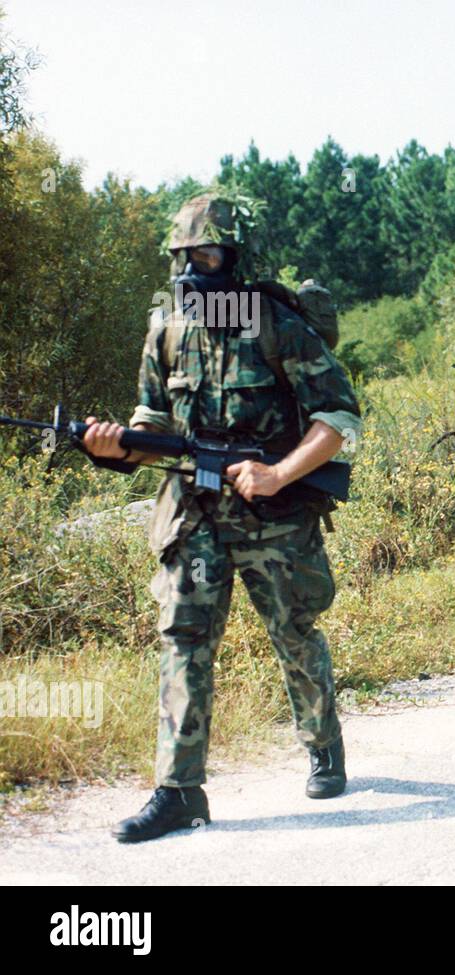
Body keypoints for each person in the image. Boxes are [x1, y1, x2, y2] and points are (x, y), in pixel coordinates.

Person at [82, 189, 362, 842]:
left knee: (293, 629)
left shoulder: (274, 321)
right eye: (181, 256)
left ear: (234, 259)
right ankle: (179, 790)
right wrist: (116, 445)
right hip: (194, 510)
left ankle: (323, 743)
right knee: (183, 635)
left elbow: (337, 416)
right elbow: (153, 419)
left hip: (274, 511)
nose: (190, 270)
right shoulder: (167, 329)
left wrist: (278, 473)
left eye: (204, 255)